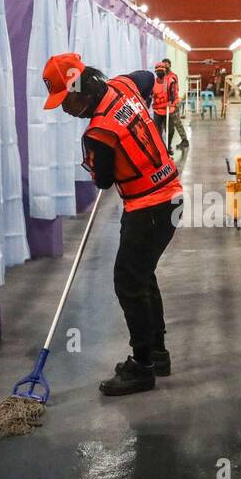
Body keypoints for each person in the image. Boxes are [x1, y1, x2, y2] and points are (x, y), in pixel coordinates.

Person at [43, 52, 182, 396]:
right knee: (142, 276)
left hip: (147, 207)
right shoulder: (125, 84)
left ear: (80, 88)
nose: (65, 109)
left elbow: (103, 181)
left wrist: (92, 161)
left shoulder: (98, 132)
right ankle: (157, 354)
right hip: (172, 197)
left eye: (66, 100)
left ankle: (142, 367)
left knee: (128, 283)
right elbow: (149, 79)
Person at [152, 59, 189, 151]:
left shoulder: (172, 77)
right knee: (165, 126)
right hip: (161, 108)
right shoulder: (157, 80)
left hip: (173, 105)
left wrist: (173, 102)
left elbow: (174, 91)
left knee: (175, 124)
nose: (165, 66)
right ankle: (164, 146)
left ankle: (184, 140)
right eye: (164, 65)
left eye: (166, 65)